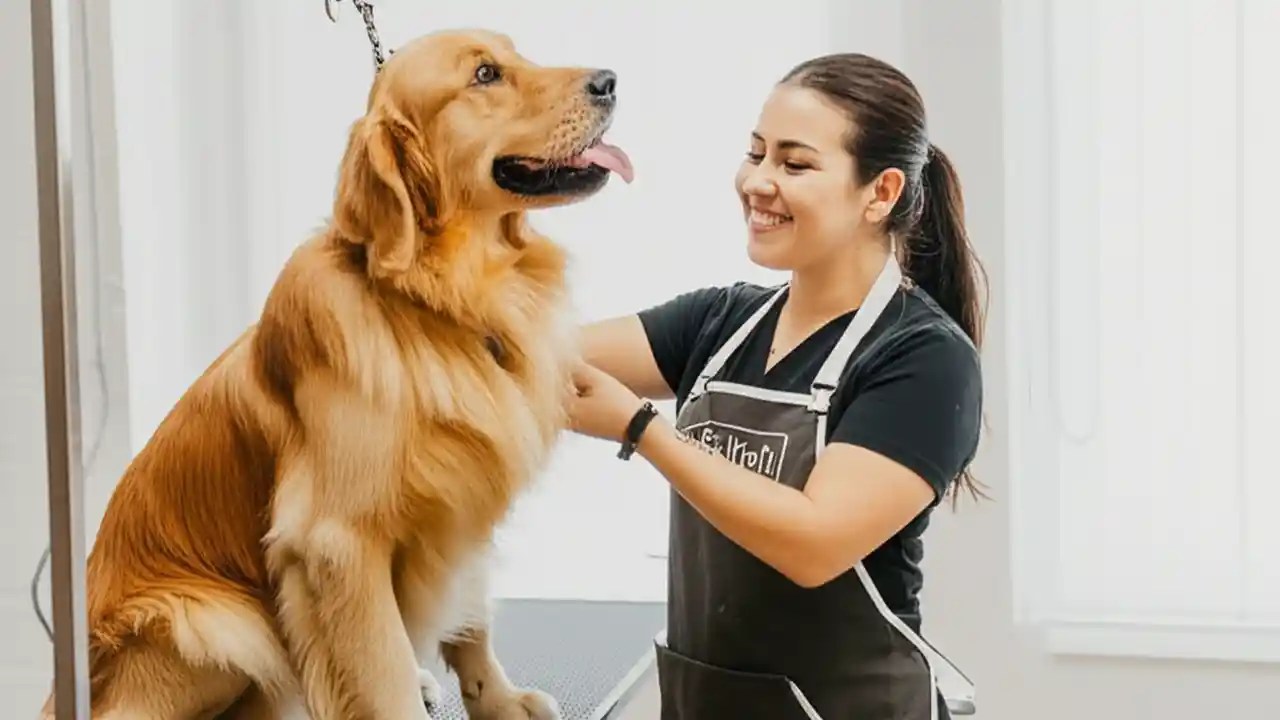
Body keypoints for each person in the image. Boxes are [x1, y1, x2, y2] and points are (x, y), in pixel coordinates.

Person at [568, 52, 986, 720]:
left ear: (880, 193)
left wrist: (643, 431)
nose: (757, 182)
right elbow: (530, 360)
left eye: (794, 164)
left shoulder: (923, 359)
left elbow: (814, 544)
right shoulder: (720, 323)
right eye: (755, 153)